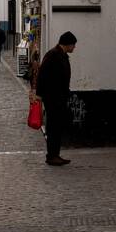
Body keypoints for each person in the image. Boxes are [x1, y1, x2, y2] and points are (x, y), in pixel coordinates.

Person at [35, 31, 77, 166]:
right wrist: (40, 94)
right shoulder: (54, 55)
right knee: (53, 127)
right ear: (68, 44)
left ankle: (55, 154)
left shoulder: (61, 55)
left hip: (58, 97)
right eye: (73, 45)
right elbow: (42, 75)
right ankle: (52, 155)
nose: (74, 47)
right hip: (53, 98)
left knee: (57, 127)